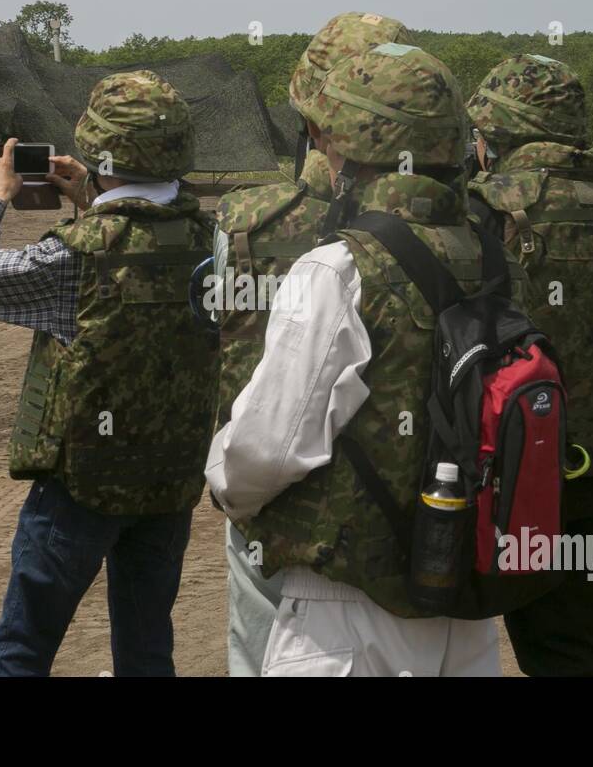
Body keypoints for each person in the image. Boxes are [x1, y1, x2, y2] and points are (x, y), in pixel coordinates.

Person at [209, 43, 508, 677]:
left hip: (347, 610)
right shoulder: (494, 256)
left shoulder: (339, 268)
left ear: (348, 142)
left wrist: (224, 483)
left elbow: (266, 450)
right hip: (466, 601)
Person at [0, 71, 217, 676]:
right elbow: (143, 240)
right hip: (170, 483)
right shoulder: (217, 244)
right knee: (145, 648)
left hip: (77, 489)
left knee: (23, 648)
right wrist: (97, 193)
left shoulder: (69, 254)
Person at [212, 11, 413, 677]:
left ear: (310, 118)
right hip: (405, 515)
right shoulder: (456, 231)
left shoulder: (247, 219)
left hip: (268, 501)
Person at [467, 54, 593, 676]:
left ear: (494, 135)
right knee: (573, 647)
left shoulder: (485, 206)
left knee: (446, 642)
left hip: (502, 472)